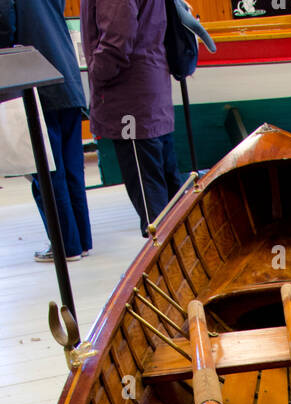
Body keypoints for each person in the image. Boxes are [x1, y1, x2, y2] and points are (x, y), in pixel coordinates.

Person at [0, 0, 93, 262]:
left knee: (48, 172)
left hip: (37, 86)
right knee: (72, 171)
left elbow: (5, 25)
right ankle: (82, 241)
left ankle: (66, 246)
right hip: (67, 77)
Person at [79, 0, 182, 236]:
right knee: (168, 194)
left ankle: (165, 266)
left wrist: (97, 71)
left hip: (129, 99)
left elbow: (118, 37)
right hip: (149, 94)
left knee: (152, 209)